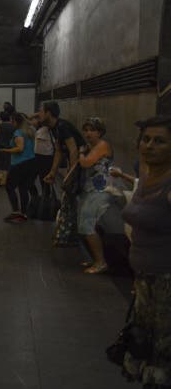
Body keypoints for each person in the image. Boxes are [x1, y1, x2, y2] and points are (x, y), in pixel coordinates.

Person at [119, 115, 171, 389]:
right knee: (156, 349)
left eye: (159, 140)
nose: (149, 145)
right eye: (146, 139)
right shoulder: (147, 177)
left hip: (167, 282)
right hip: (148, 280)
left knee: (167, 352)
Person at [76, 117, 115, 274]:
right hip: (90, 188)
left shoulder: (102, 145)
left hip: (100, 189)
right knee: (84, 223)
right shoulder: (91, 146)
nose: (88, 133)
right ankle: (94, 258)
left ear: (100, 132)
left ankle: (100, 262)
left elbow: (86, 163)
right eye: (85, 130)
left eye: (92, 130)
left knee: (87, 223)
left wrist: (80, 154)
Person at [0, 112, 36, 223]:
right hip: (29, 162)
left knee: (8, 184)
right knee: (23, 188)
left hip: (12, 157)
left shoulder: (1, 127)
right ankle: (23, 213)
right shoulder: (28, 131)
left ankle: (16, 212)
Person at [38, 101, 85, 184]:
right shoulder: (53, 127)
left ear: (48, 113)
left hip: (83, 164)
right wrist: (52, 173)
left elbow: (73, 150)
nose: (38, 114)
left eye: (41, 111)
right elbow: (58, 151)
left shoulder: (62, 126)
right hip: (76, 165)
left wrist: (71, 174)